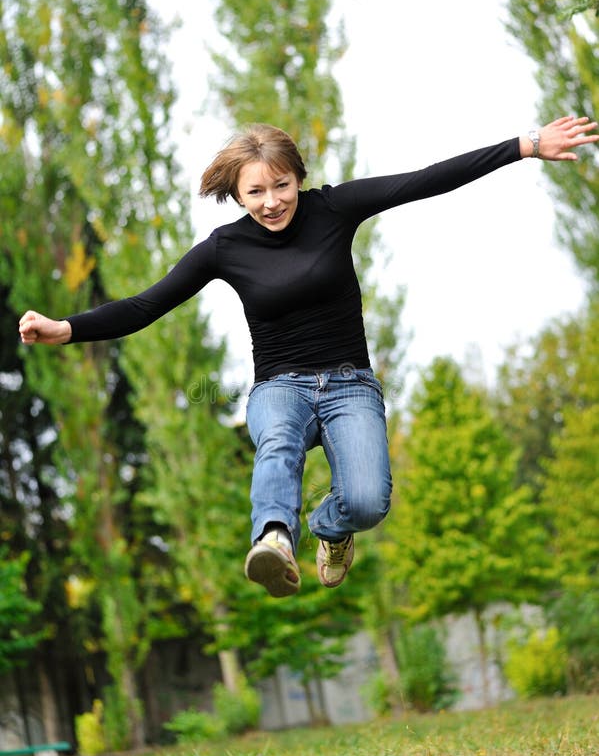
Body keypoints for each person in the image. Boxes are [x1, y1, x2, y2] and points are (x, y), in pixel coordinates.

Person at [19, 115, 598, 598]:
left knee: (368, 502)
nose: (272, 203)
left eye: (282, 186)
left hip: (351, 386)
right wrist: (65, 328)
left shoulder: (335, 209)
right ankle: (274, 537)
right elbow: (147, 305)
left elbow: (426, 180)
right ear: (236, 193)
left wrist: (524, 147)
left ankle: (330, 528)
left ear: (299, 178)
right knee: (277, 442)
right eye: (256, 192)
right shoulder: (226, 248)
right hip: (280, 386)